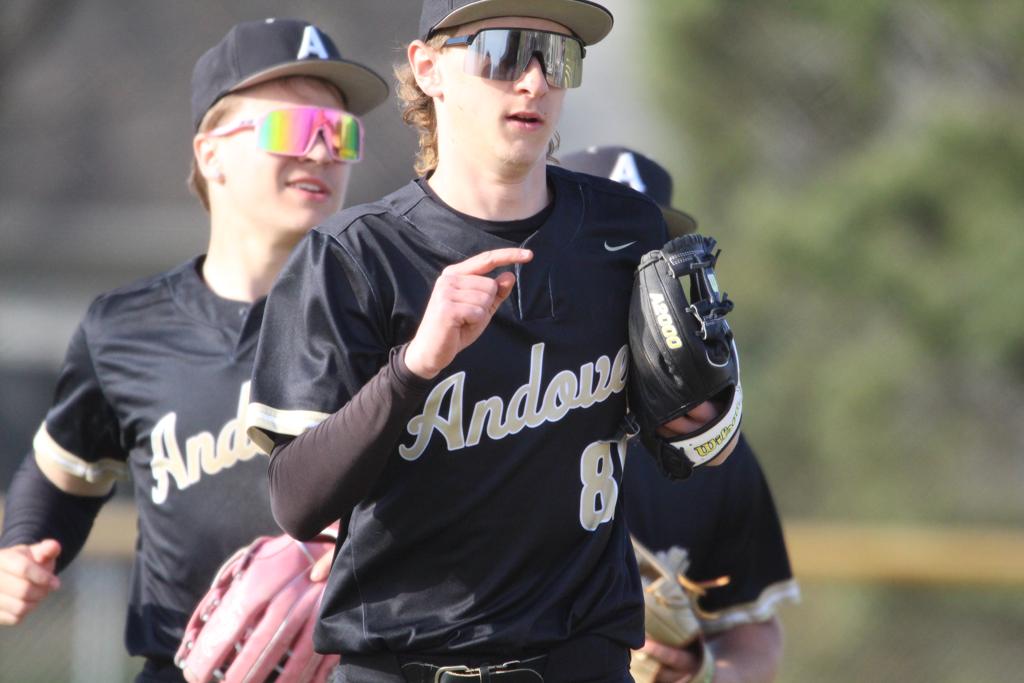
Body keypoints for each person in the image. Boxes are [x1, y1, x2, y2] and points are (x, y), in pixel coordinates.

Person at [245, 2, 739, 682]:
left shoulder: (626, 233)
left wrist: (700, 416)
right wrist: (416, 364)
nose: (534, 81)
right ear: (430, 69)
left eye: (557, 56)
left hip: (579, 661)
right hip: (402, 663)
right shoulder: (356, 256)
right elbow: (298, 500)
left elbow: (691, 446)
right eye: (505, 51)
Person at [0, 18, 387, 682]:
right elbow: (64, 471)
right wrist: (18, 553)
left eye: (341, 132)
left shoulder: (396, 325)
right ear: (211, 153)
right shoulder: (127, 329)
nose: (324, 151)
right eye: (295, 129)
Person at [562, 146, 801, 683]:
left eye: (637, 250)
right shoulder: (486, 414)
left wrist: (703, 671)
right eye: (597, 242)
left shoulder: (709, 453)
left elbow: (754, 634)